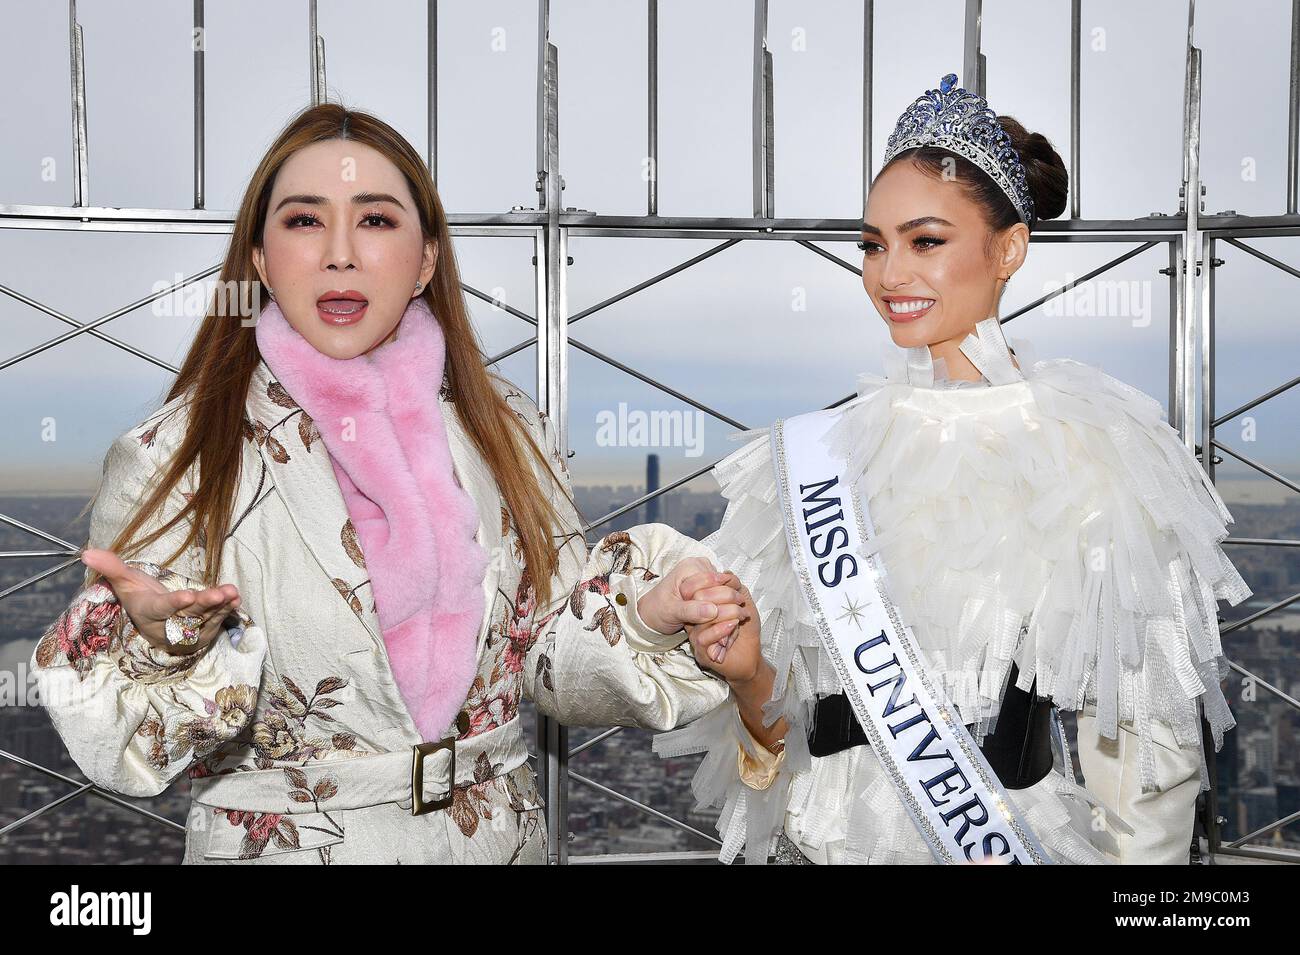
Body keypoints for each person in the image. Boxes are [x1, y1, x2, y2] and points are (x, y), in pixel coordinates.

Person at [31, 103, 750, 865]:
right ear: (262, 260)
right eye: (305, 221)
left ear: (429, 259)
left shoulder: (504, 428)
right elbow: (129, 746)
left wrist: (643, 613)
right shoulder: (177, 453)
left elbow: (549, 664)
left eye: (375, 220)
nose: (340, 254)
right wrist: (160, 642)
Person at [654, 73, 1252, 865]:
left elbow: (1148, 762)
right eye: (873, 244)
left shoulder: (1090, 448)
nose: (889, 273)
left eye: (925, 241)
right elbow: (783, 736)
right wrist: (748, 673)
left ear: (1008, 249)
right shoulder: (816, 455)